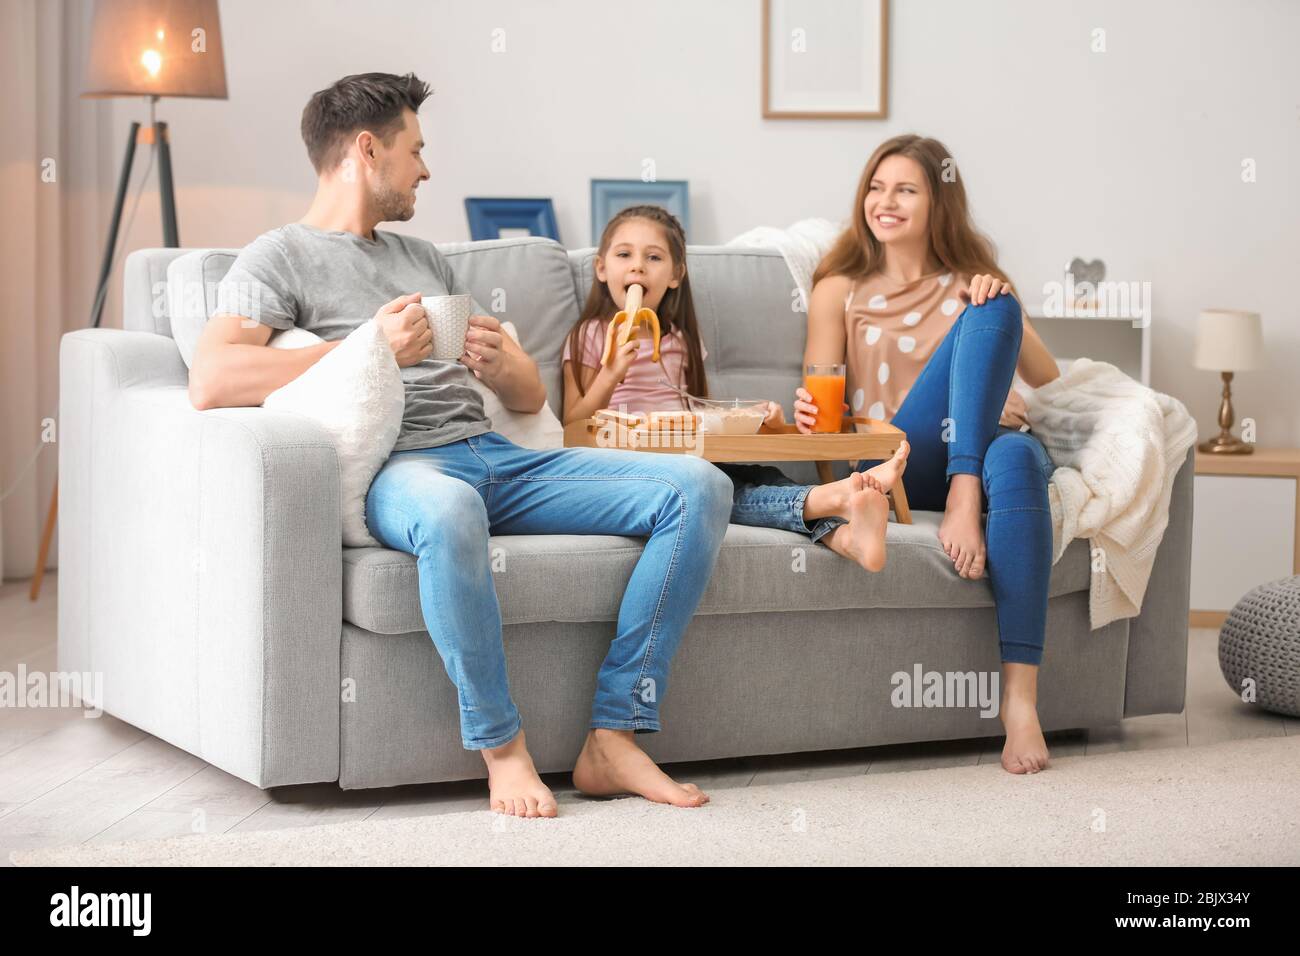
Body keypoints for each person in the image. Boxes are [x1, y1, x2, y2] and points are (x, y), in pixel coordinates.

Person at [187, 72, 737, 816]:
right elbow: (212, 378)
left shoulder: (426, 260)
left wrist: (511, 371)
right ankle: (503, 751)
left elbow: (530, 401)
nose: (427, 168)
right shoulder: (279, 256)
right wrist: (367, 349)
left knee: (699, 486)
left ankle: (615, 735)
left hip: (495, 456)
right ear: (368, 149)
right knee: (448, 512)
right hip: (404, 471)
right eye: (416, 150)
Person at [795, 135, 1061, 774]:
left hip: (982, 449)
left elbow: (1050, 377)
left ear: (939, 201)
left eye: (905, 189)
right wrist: (805, 413)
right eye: (876, 188)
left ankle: (1020, 704)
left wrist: (994, 359)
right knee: (988, 310)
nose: (885, 202)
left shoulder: (971, 283)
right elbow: (817, 397)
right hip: (900, 460)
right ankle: (965, 491)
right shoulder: (841, 288)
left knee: (1018, 453)